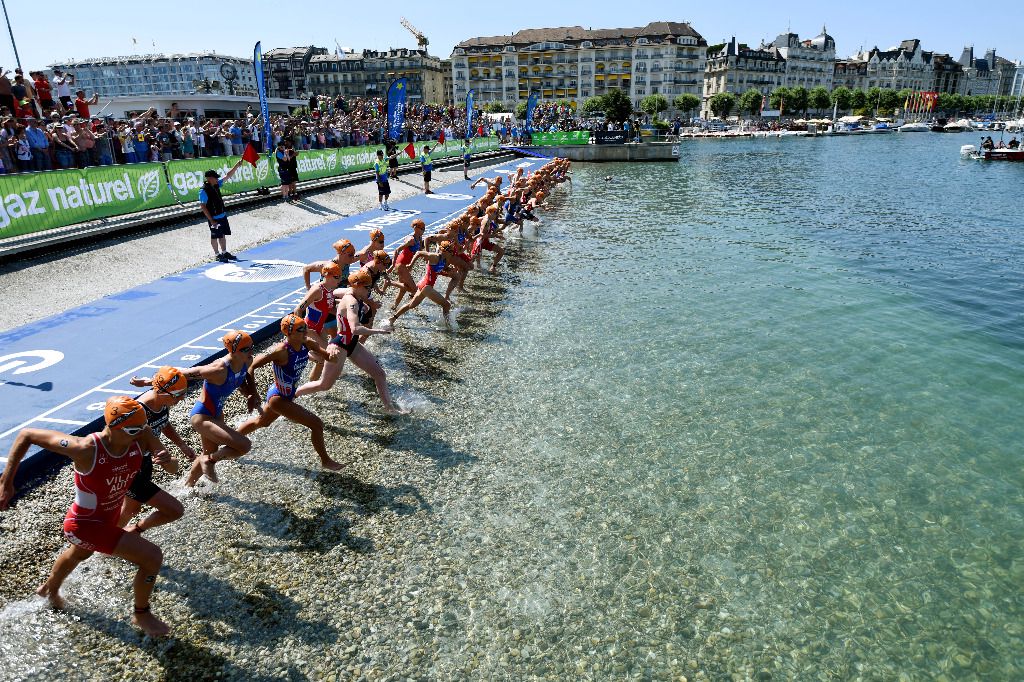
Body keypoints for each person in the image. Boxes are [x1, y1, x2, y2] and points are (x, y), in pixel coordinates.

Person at [0, 396, 172, 637]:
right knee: (152, 557)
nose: (139, 434)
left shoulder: (138, 435)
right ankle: (141, 613)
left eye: (142, 428)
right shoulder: (85, 449)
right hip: (84, 525)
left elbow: (163, 456)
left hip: (108, 517)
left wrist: (162, 453)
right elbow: (26, 434)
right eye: (134, 430)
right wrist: (6, 482)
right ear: (113, 426)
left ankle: (49, 589)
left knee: (80, 553)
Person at [237, 314, 343, 471]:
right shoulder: (281, 351)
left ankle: (231, 442)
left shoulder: (307, 343)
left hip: (287, 395)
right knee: (316, 424)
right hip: (278, 398)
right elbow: (251, 367)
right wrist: (254, 393)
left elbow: (330, 359)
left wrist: (333, 354)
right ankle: (325, 461)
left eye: (305, 327)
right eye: (301, 329)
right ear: (289, 333)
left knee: (262, 422)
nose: (306, 331)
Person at [294, 269, 402, 414]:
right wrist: (379, 331)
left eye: (370, 287)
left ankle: (389, 408)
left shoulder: (351, 291)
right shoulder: (352, 302)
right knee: (324, 385)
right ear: (357, 286)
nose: (369, 290)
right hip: (340, 346)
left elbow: (333, 292)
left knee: (380, 374)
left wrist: (364, 304)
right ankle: (292, 396)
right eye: (367, 287)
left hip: (352, 344)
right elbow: (355, 329)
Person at [183, 331, 260, 486]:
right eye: (245, 349)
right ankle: (210, 460)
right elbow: (186, 374)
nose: (251, 351)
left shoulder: (247, 361)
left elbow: (243, 376)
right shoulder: (219, 369)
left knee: (208, 451)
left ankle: (188, 487)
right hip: (202, 416)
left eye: (251, 346)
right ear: (233, 351)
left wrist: (251, 393)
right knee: (244, 446)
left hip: (217, 414)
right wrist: (150, 382)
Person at [121, 367, 192, 533]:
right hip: (130, 468)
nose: (182, 398)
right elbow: (119, 443)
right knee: (174, 510)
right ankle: (115, 538)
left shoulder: (162, 402)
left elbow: (164, 423)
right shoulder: (139, 411)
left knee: (132, 509)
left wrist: (181, 445)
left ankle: (111, 539)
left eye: (184, 393)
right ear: (162, 392)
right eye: (178, 394)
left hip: (145, 461)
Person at [388, 240, 456, 328]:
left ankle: (393, 318)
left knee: (411, 305)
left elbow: (440, 269)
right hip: (427, 287)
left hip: (424, 286)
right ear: (445, 251)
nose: (452, 253)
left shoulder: (445, 260)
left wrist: (449, 270)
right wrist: (411, 265)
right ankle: (448, 325)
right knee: (446, 305)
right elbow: (419, 253)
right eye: (451, 251)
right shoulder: (435, 257)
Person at [294, 262, 343, 383]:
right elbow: (298, 309)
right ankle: (301, 354)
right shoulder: (317, 290)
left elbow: (328, 308)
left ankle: (312, 386)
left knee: (323, 359)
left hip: (320, 328)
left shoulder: (329, 289)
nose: (340, 280)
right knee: (327, 356)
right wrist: (301, 331)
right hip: (310, 329)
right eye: (337, 277)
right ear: (327, 276)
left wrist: (345, 314)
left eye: (340, 276)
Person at [200, 160, 245, 263]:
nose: (217, 179)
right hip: (214, 218)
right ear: (209, 178)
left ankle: (224, 252)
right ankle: (217, 254)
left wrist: (237, 165)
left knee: (222, 234)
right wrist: (211, 220)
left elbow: (228, 175)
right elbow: (203, 207)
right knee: (214, 236)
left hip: (222, 215)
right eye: (215, 177)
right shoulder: (203, 190)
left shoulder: (216, 184)